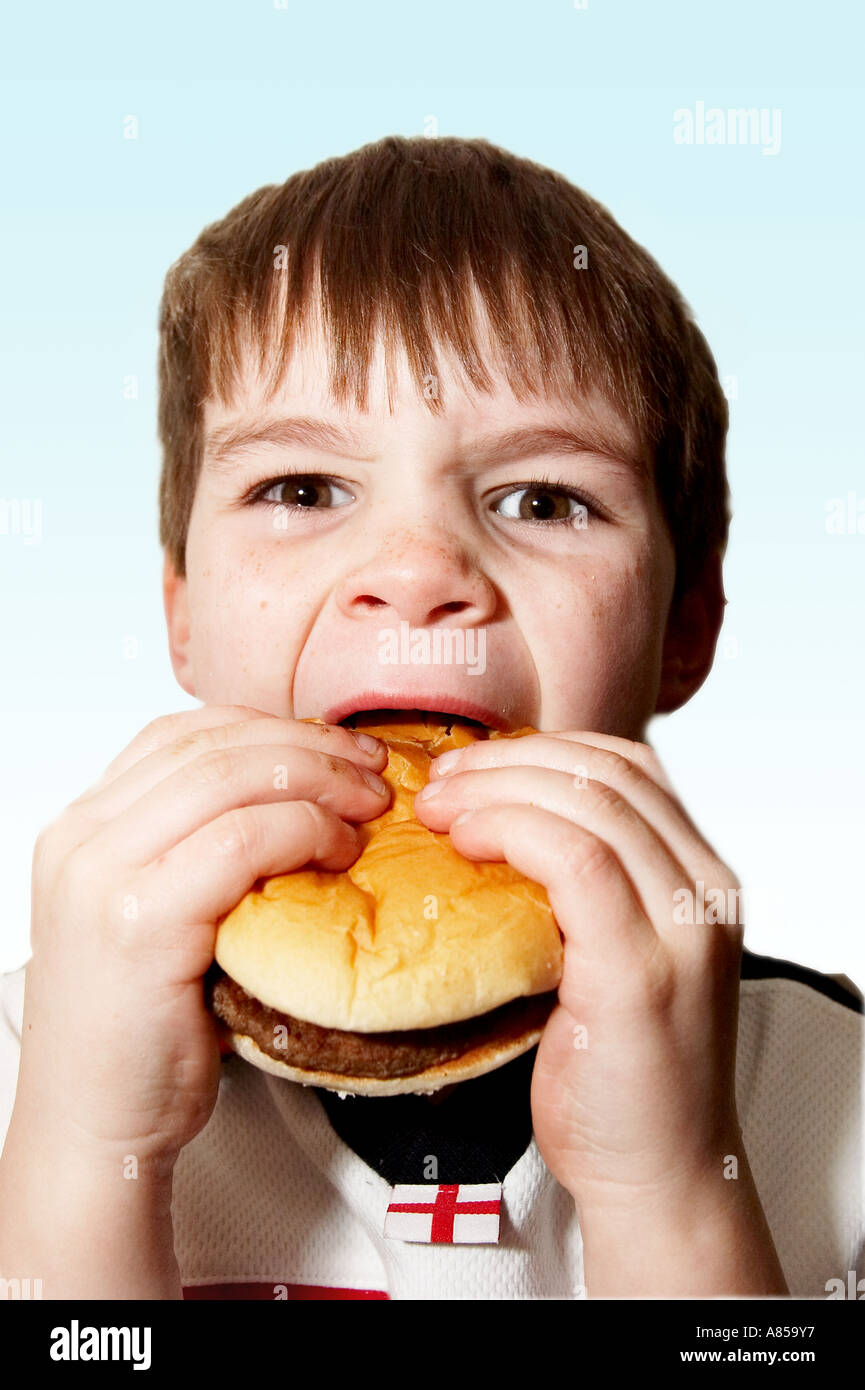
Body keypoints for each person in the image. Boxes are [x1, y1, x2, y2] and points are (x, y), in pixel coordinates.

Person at [0, 135, 861, 1300]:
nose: (415, 571)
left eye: (543, 497)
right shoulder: (32, 1063)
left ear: (683, 627)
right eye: (300, 490)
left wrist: (669, 1193)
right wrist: (80, 1159)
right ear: (183, 615)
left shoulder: (833, 1090)